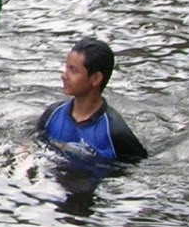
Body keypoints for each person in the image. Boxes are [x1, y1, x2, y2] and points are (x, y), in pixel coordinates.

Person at [36, 39, 147, 171]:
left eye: (73, 70)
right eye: (66, 67)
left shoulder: (114, 131)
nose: (64, 76)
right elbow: (34, 143)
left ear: (96, 79)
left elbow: (139, 168)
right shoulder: (52, 114)